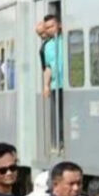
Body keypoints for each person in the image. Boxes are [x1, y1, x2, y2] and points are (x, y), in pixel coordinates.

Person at [41, 14, 64, 148]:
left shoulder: (66, 40)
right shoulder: (47, 46)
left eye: (52, 26)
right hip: (56, 86)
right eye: (47, 28)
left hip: (68, 85)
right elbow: (48, 68)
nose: (50, 29)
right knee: (57, 116)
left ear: (59, 25)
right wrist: (46, 85)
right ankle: (59, 142)